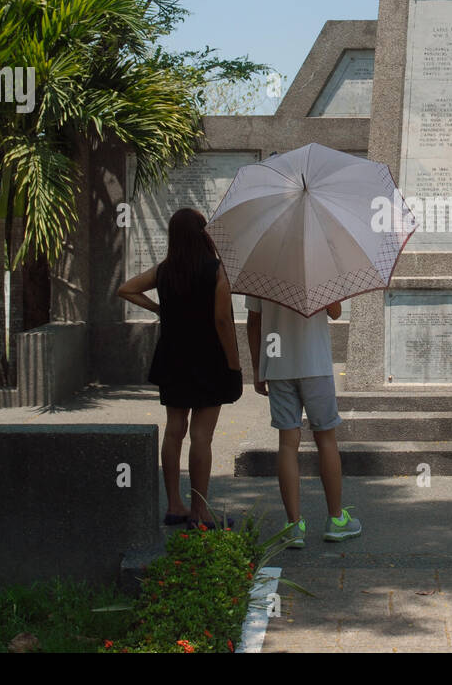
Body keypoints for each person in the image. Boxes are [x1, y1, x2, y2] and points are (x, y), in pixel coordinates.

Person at [118, 207, 242, 529]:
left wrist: (160, 308)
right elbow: (221, 321)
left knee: (174, 430)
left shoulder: (164, 270)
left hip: (172, 356)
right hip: (208, 359)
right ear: (203, 234)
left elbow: (126, 288)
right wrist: (234, 363)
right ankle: (200, 512)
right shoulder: (216, 271)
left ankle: (175, 505)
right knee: (202, 436)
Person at [246, 294, 360, 548]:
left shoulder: (262, 265)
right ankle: (336, 519)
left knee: (287, 443)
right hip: (315, 363)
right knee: (326, 439)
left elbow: (254, 321)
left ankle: (293, 525)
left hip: (277, 365)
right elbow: (336, 311)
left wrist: (257, 369)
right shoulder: (319, 263)